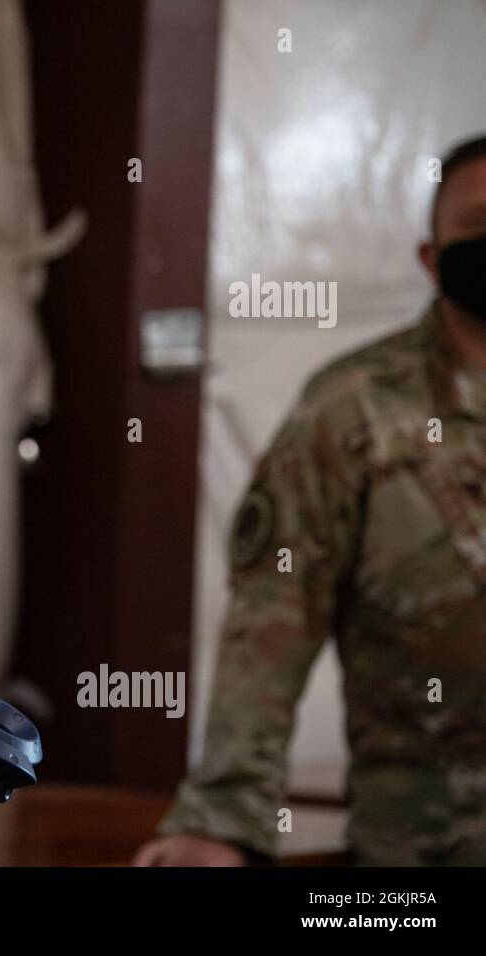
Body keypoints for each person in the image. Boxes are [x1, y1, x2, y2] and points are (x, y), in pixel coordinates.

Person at [134, 134, 486, 866]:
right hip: (428, 851)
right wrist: (225, 818)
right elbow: (273, 619)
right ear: (431, 258)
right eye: (478, 229)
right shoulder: (353, 412)